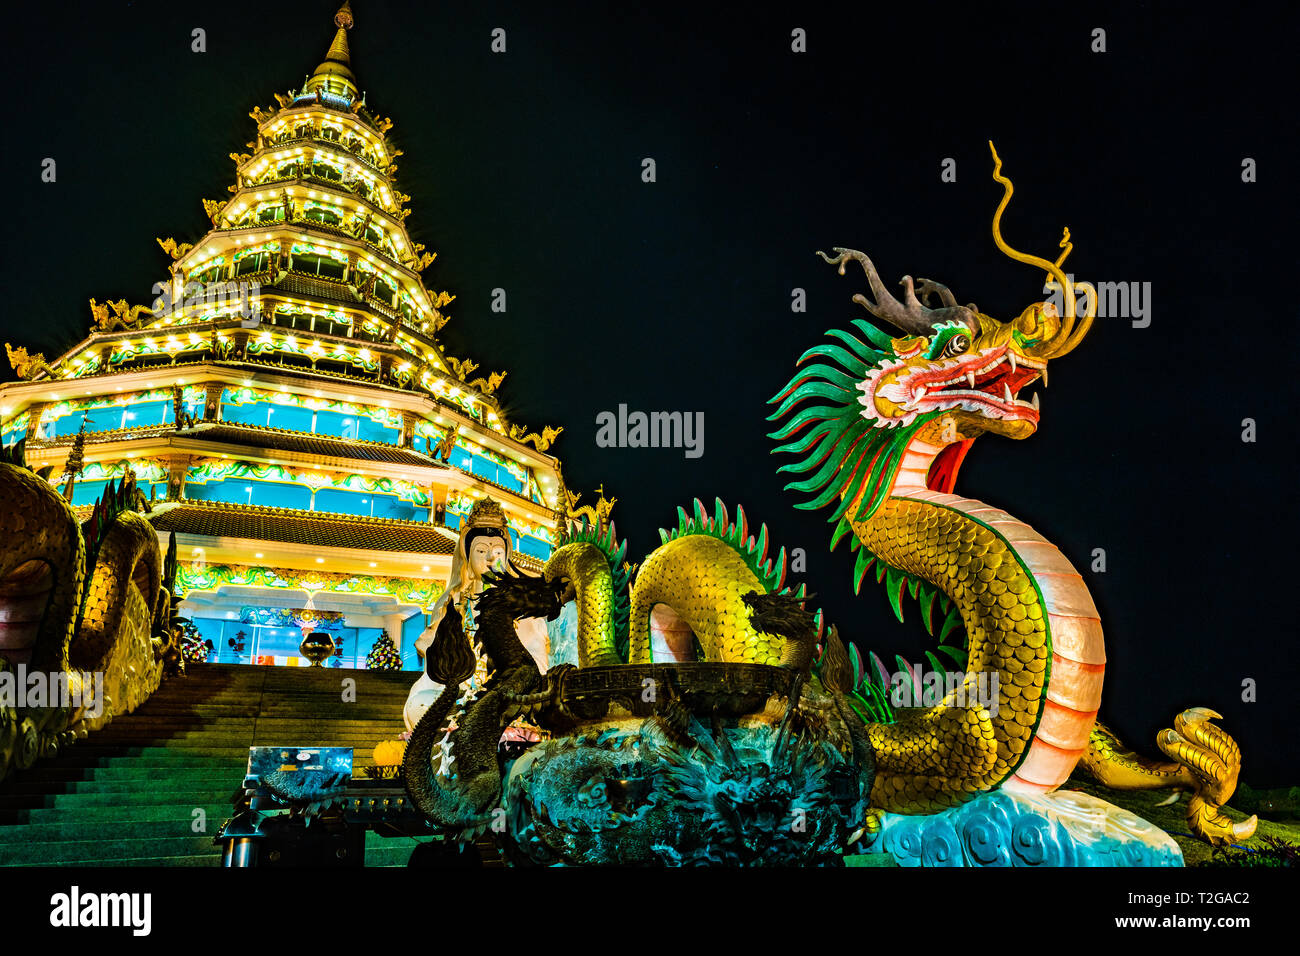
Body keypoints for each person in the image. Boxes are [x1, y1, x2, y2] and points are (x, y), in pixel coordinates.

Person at [402, 496, 548, 731]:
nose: (491, 558)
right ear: (468, 556)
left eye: (498, 552)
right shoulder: (455, 604)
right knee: (420, 703)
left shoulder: (523, 606)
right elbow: (434, 667)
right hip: (461, 694)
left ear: (506, 555)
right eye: (481, 550)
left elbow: (538, 664)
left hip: (508, 696)